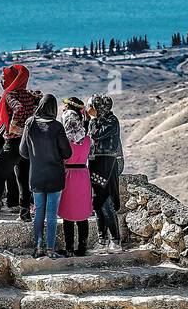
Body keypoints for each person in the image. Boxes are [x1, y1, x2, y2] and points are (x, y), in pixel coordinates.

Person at [0, 64, 40, 223]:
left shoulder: (10, 95)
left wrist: (14, 129)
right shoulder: (30, 95)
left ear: (12, 79)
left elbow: (18, 109)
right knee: (23, 178)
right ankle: (25, 212)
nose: (1, 81)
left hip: (13, 142)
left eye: (4, 78)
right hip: (28, 142)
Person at [20, 93, 71, 257]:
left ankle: (38, 248)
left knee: (38, 212)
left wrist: (36, 155)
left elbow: (23, 151)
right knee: (51, 214)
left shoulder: (30, 123)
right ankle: (50, 250)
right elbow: (67, 152)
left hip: (36, 175)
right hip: (55, 175)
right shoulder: (57, 126)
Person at [87, 95, 124, 251]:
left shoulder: (111, 121)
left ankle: (115, 240)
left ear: (98, 107)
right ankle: (102, 240)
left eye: (91, 105)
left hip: (106, 162)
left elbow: (95, 134)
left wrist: (92, 120)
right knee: (97, 202)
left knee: (104, 200)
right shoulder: (99, 120)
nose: (88, 108)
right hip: (96, 162)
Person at [58, 104, 94, 256]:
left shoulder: (64, 140)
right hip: (83, 176)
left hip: (68, 176)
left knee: (68, 215)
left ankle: (69, 248)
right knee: (82, 214)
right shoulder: (86, 139)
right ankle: (83, 247)